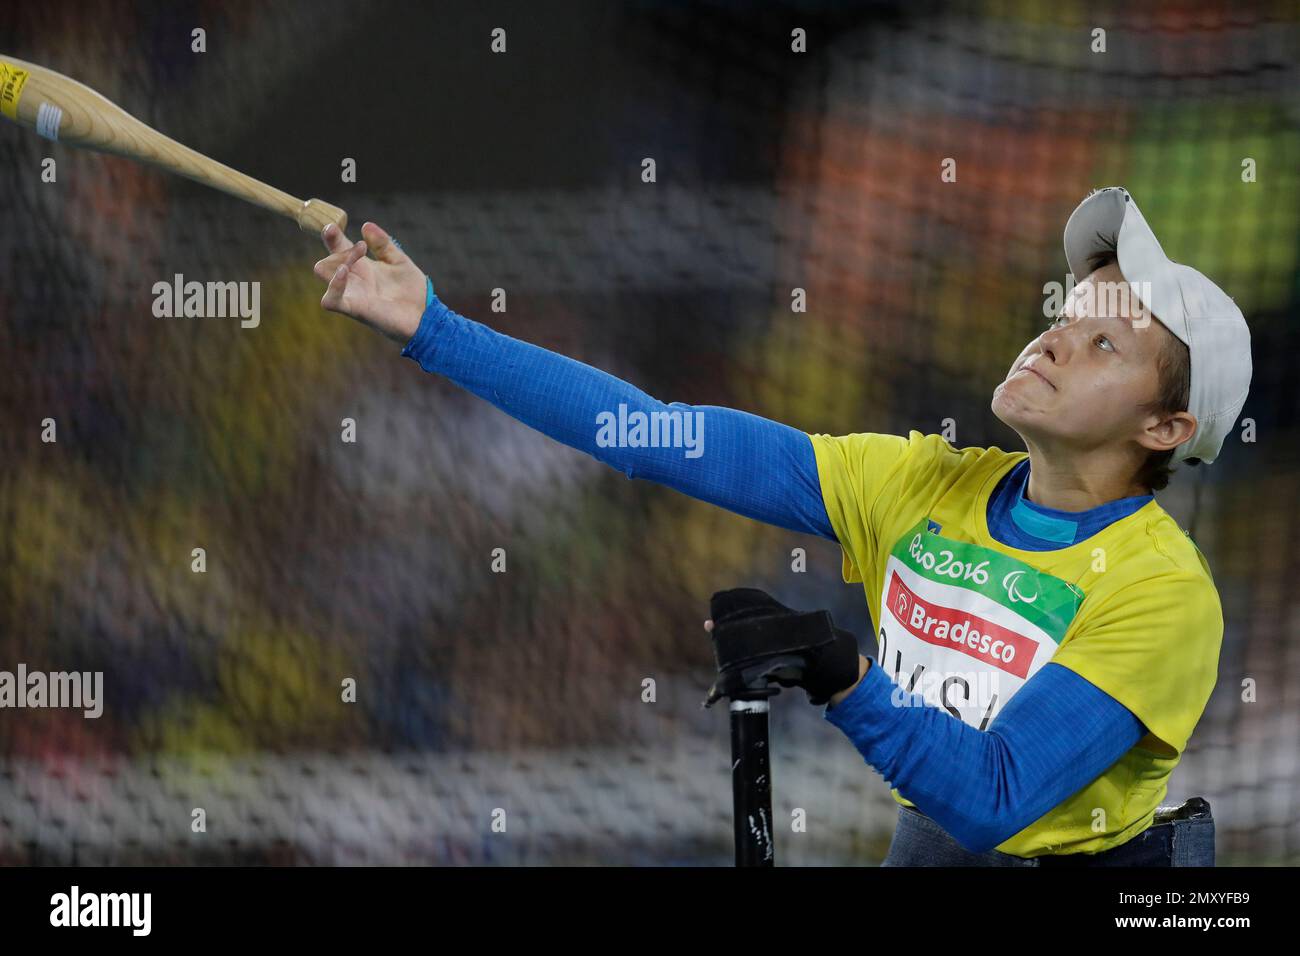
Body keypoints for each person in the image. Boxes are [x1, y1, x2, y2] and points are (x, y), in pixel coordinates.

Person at [310, 186, 1250, 865]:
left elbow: (995, 798)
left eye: (1103, 343)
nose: (1052, 338)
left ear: (1166, 429)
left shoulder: (1161, 594)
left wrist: (845, 680)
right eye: (1067, 314)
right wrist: (434, 329)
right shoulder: (919, 481)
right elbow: (655, 438)